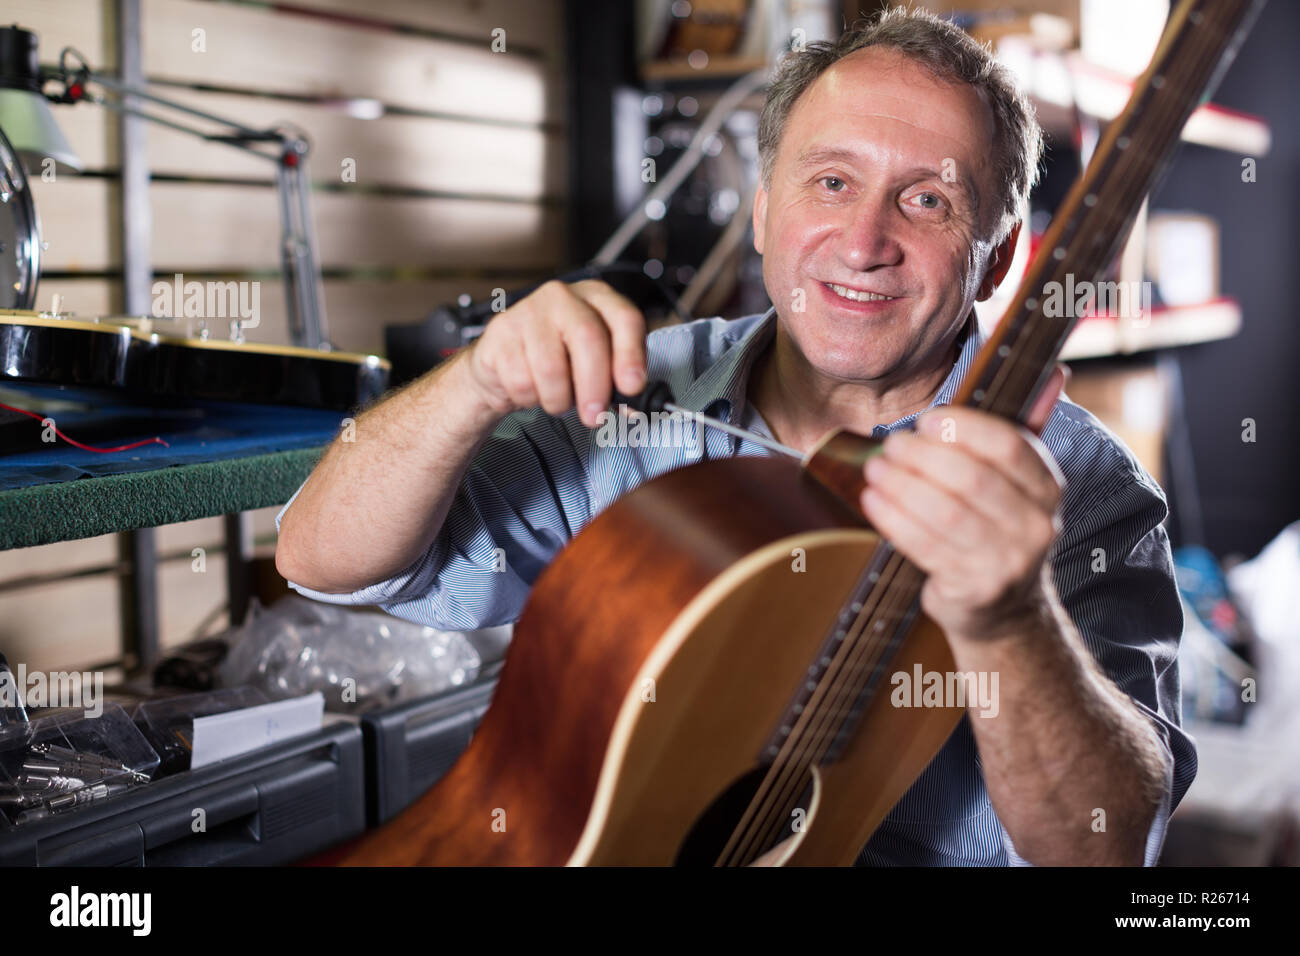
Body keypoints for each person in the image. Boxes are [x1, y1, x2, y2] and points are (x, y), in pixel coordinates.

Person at [275, 7, 1195, 866]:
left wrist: (1009, 621)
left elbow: (1111, 844)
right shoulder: (633, 395)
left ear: (997, 257)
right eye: (831, 181)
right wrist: (470, 386)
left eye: (927, 202)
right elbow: (321, 558)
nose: (865, 239)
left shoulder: (1082, 486)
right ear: (763, 214)